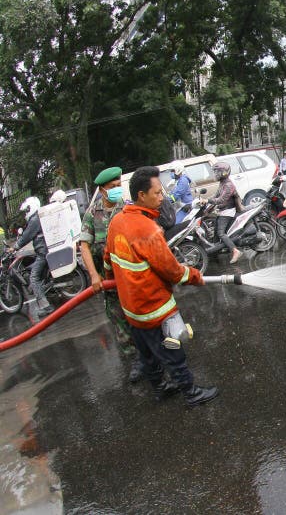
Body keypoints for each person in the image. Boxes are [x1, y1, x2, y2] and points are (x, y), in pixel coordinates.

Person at [104, 166, 218, 407]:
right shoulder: (147, 229)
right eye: (156, 193)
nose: (161, 197)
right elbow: (172, 270)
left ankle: (160, 388)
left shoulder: (117, 222)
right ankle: (191, 393)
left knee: (147, 354)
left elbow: (107, 258)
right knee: (173, 350)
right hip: (154, 308)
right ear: (141, 196)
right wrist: (195, 276)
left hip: (132, 310)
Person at [80, 167, 143, 382]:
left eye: (119, 186)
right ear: (102, 190)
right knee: (118, 318)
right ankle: (135, 360)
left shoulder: (127, 209)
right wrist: (93, 276)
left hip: (131, 277)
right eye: (112, 187)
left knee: (139, 316)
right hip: (109, 281)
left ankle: (151, 354)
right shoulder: (92, 214)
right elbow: (85, 246)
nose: (117, 190)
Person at [9, 197, 52, 316]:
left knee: (33, 278)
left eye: (27, 210)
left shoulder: (34, 220)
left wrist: (15, 247)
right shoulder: (37, 217)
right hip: (44, 249)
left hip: (43, 251)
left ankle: (46, 306)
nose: (25, 213)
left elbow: (27, 236)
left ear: (31, 207)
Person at [201, 162, 243, 264]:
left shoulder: (228, 185)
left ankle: (235, 251)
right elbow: (216, 196)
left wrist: (208, 201)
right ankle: (214, 254)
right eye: (215, 171)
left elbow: (221, 199)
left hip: (228, 211)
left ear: (224, 172)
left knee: (220, 233)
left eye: (217, 171)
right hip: (222, 210)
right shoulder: (222, 183)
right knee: (215, 233)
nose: (215, 174)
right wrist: (204, 200)